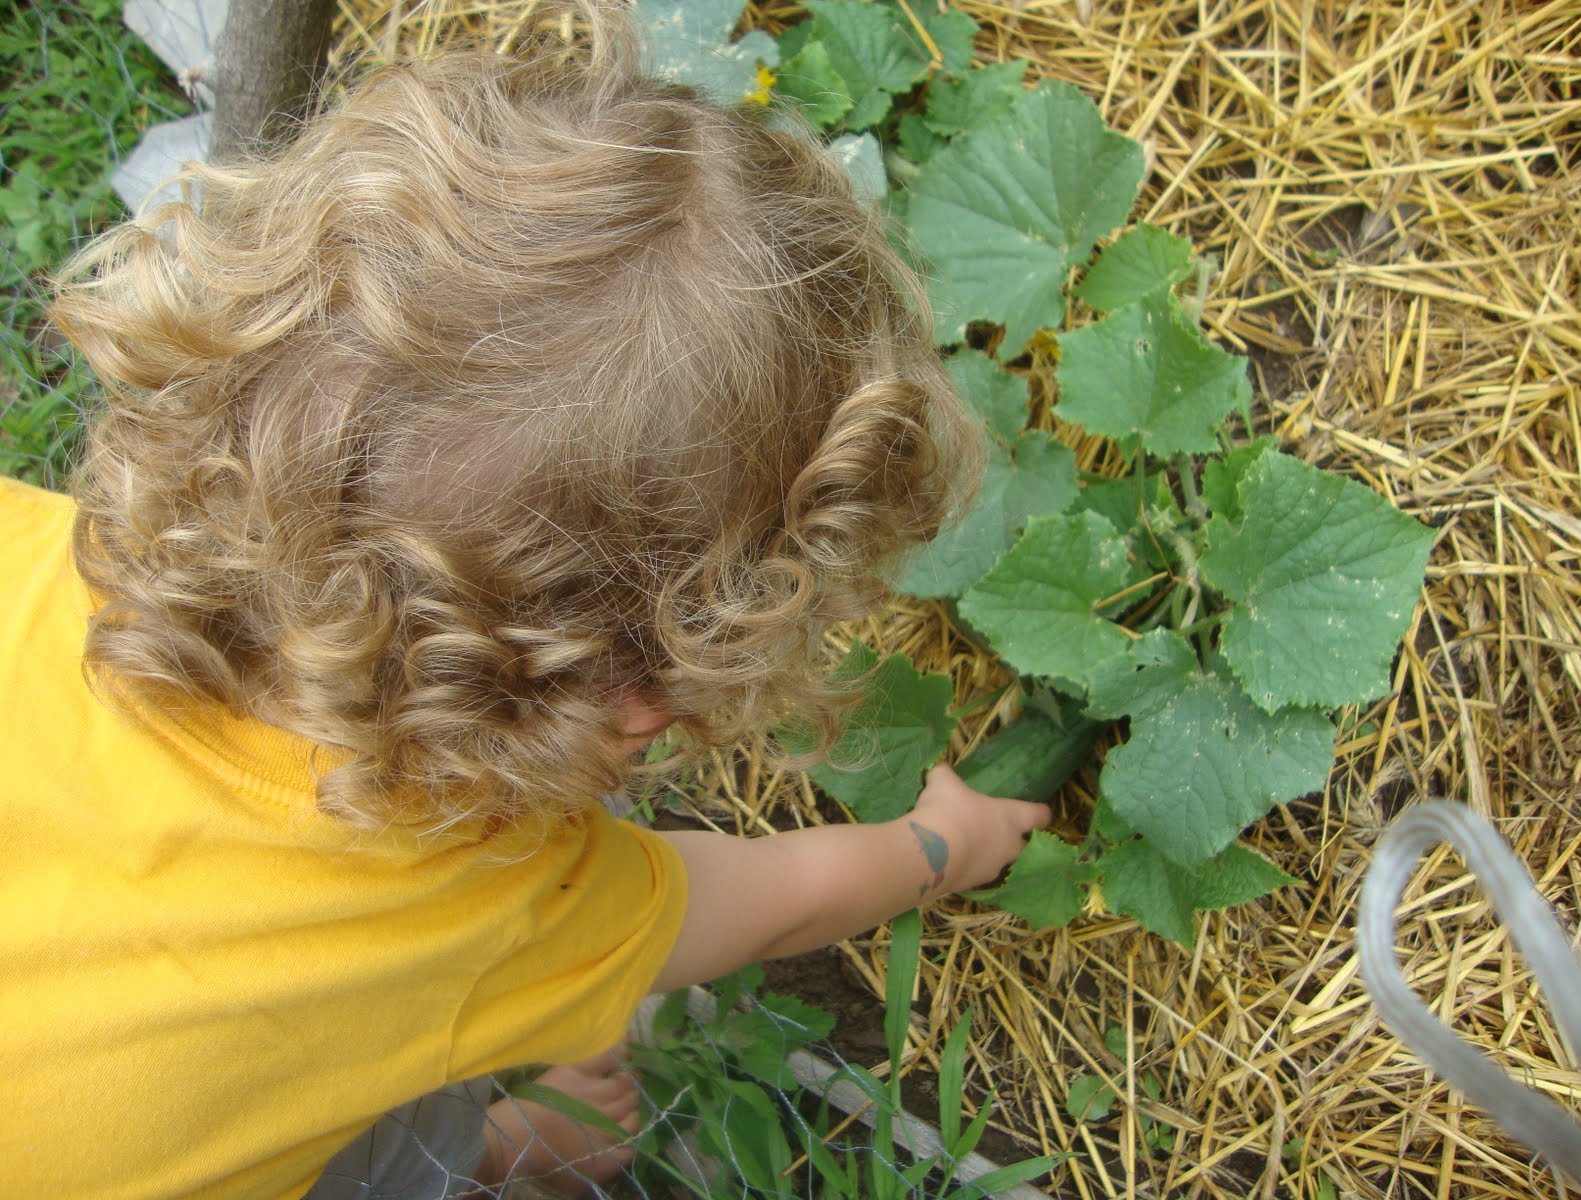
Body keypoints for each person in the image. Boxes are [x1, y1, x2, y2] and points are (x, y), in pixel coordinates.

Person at [0, 8, 1051, 1197]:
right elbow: (769, 907)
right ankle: (511, 1158)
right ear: (647, 707)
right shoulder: (480, 899)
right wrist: (942, 843)